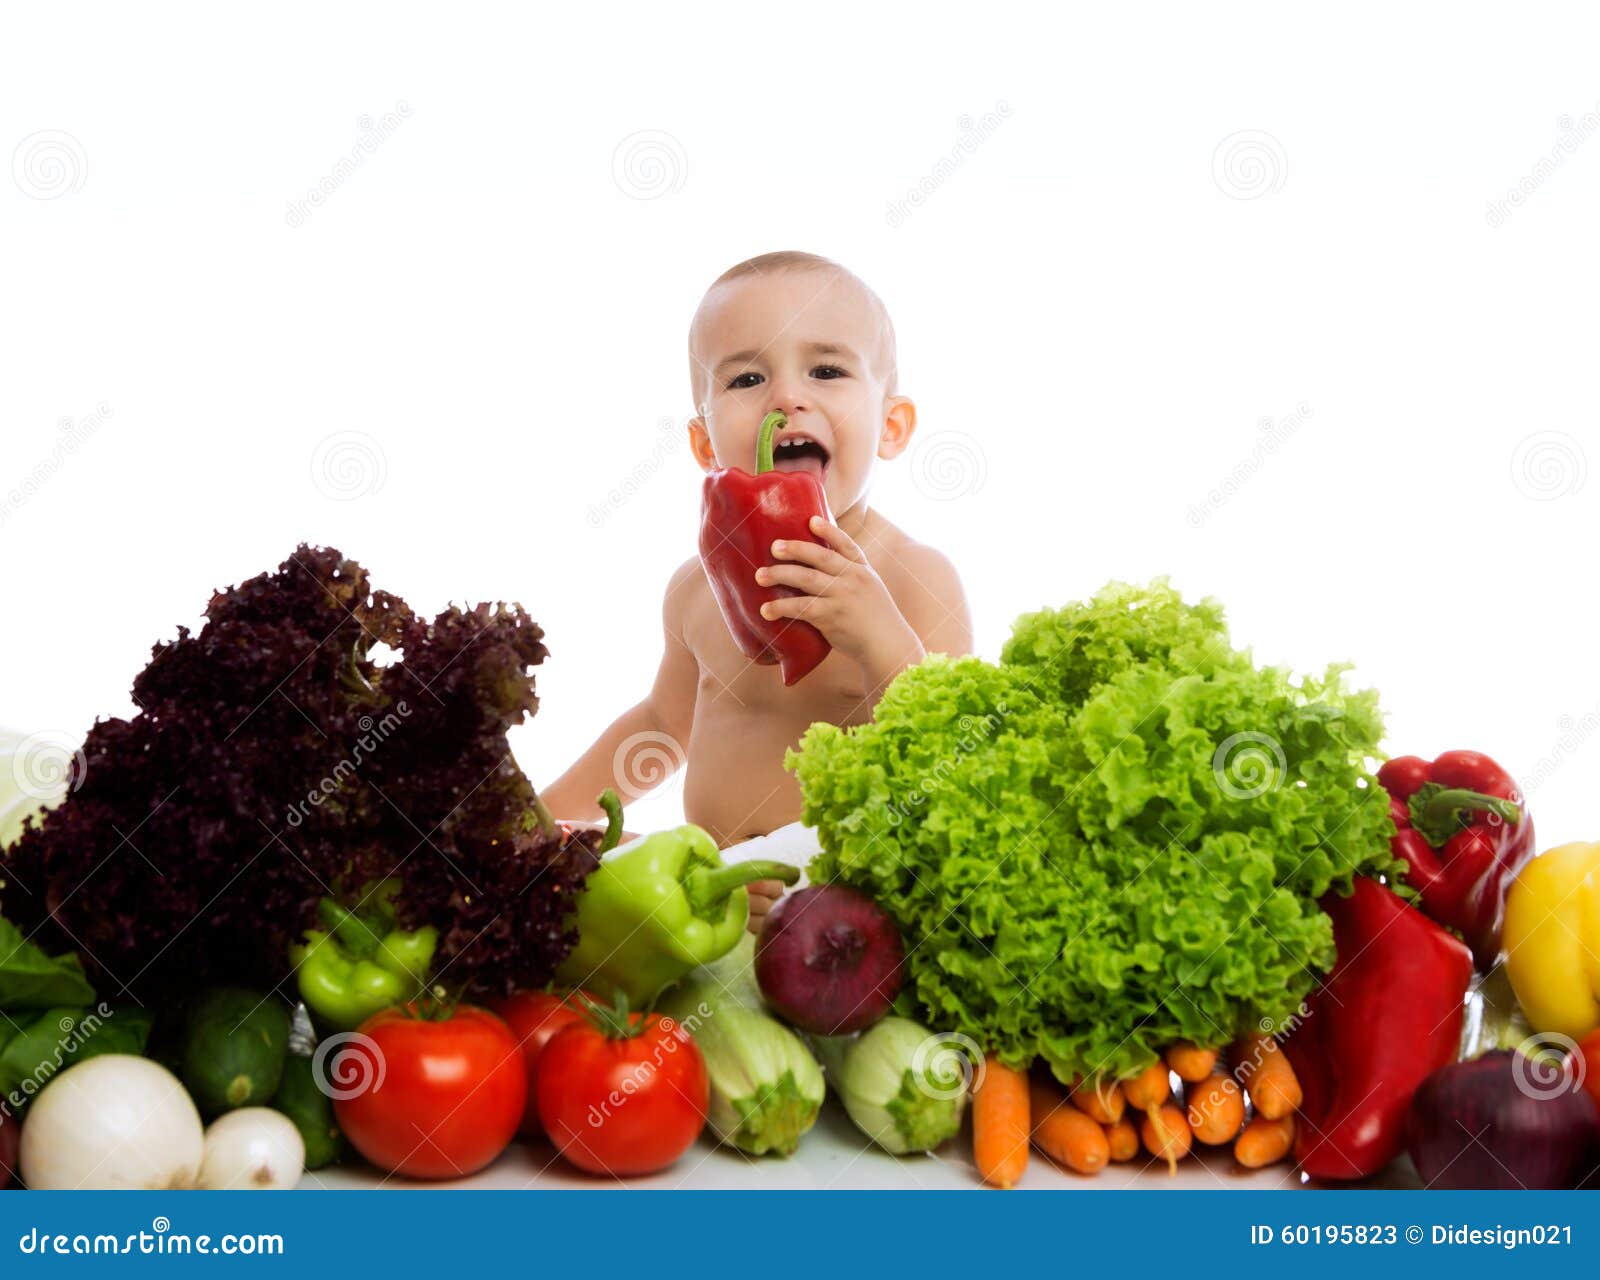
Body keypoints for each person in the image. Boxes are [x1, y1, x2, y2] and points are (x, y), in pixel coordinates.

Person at [542, 251, 972, 930]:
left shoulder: (914, 576)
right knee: (594, 869)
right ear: (704, 444)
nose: (787, 398)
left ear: (892, 427)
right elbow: (660, 725)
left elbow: (951, 754)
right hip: (714, 897)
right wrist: (548, 820)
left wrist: (881, 638)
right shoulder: (695, 589)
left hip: (847, 907)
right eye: (747, 378)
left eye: (826, 371)